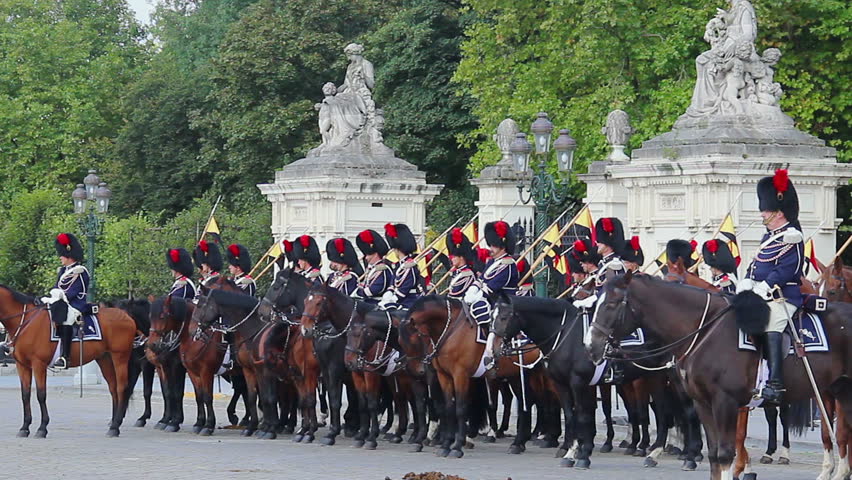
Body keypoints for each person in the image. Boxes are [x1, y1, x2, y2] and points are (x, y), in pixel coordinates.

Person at [736, 169, 804, 405]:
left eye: (765, 209)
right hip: (761, 292)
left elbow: (787, 269)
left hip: (782, 297)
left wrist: (765, 286)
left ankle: (775, 383)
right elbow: (757, 264)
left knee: (772, 324)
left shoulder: (792, 237)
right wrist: (746, 281)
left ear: (778, 212)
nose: (762, 213)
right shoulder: (769, 237)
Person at [40, 233, 90, 369]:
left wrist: (60, 296)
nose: (60, 257)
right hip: (61, 302)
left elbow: (74, 291)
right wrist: (51, 297)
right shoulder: (63, 271)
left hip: (75, 303)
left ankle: (65, 356)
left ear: (68, 254)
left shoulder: (80, 271)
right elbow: (57, 287)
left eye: (61, 254)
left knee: (66, 317)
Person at [463, 221, 518, 327]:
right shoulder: (493, 262)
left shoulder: (508, 264)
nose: (490, 248)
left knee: (480, 308)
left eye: (494, 245)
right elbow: (482, 279)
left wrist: (477, 296)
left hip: (502, 303)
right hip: (491, 300)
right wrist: (472, 290)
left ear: (502, 244)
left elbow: (494, 286)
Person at [381, 223, 423, 310]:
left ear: (396, 249)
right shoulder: (398, 265)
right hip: (401, 300)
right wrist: (389, 292)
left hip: (409, 301)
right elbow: (393, 281)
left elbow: (406, 286)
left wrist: (394, 298)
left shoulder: (410, 265)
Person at [353, 229, 394, 305]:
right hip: (368, 303)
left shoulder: (382, 268)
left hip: (376, 303)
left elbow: (375, 289)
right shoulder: (372, 268)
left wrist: (358, 292)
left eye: (368, 254)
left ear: (375, 254)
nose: (366, 258)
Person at [445, 227, 480, 300]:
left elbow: (455, 293)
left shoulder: (467, 274)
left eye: (454, 256)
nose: (452, 258)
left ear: (461, 257)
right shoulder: (457, 272)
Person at [594, 218, 627, 294]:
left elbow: (611, 291)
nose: (596, 243)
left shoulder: (614, 264)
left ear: (607, 242)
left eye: (599, 241)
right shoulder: (604, 263)